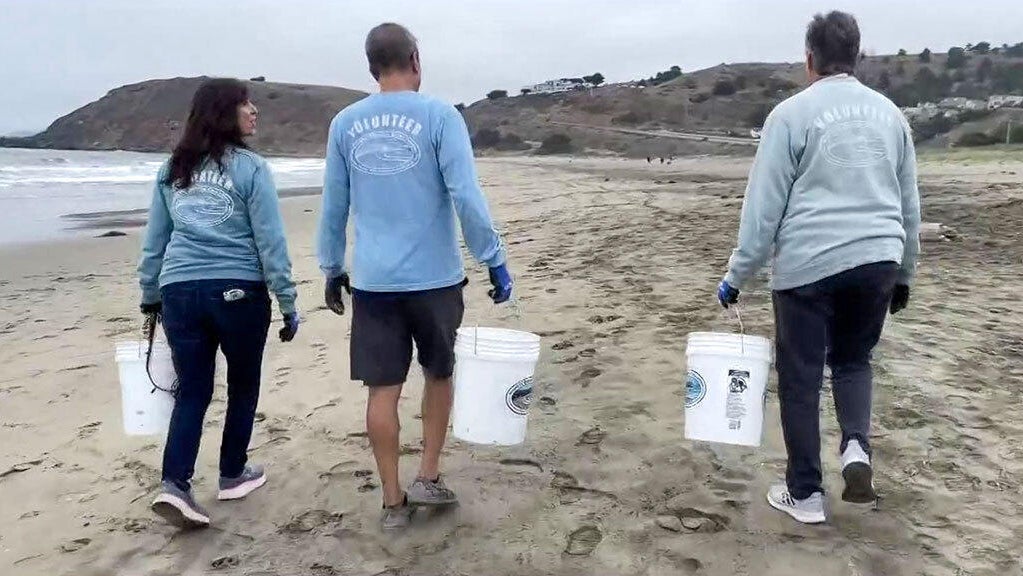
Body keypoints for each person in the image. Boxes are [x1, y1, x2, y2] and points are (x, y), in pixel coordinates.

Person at [717, 11, 920, 524]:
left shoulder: (790, 115)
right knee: (853, 361)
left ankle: (805, 493)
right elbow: (909, 206)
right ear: (857, 56)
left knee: (801, 379)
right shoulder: (891, 116)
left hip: (807, 266)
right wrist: (904, 274)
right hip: (878, 256)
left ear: (809, 59)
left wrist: (736, 276)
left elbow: (762, 212)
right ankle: (855, 446)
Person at [317, 23, 512, 530]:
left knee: (381, 390)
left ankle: (391, 503)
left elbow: (334, 207)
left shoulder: (344, 123)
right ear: (416, 59)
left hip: (374, 282)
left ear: (371, 67)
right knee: (438, 373)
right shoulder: (440, 116)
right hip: (435, 279)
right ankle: (428, 474)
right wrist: (493, 257)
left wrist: (331, 268)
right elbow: (466, 196)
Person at [137, 78, 299, 529]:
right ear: (225, 112)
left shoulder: (173, 168)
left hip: (179, 292)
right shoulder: (250, 168)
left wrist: (150, 297)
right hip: (238, 291)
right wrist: (287, 301)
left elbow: (154, 243)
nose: (254, 111)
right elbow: (271, 242)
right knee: (243, 386)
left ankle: (174, 484)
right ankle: (231, 474)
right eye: (246, 104)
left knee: (193, 390)